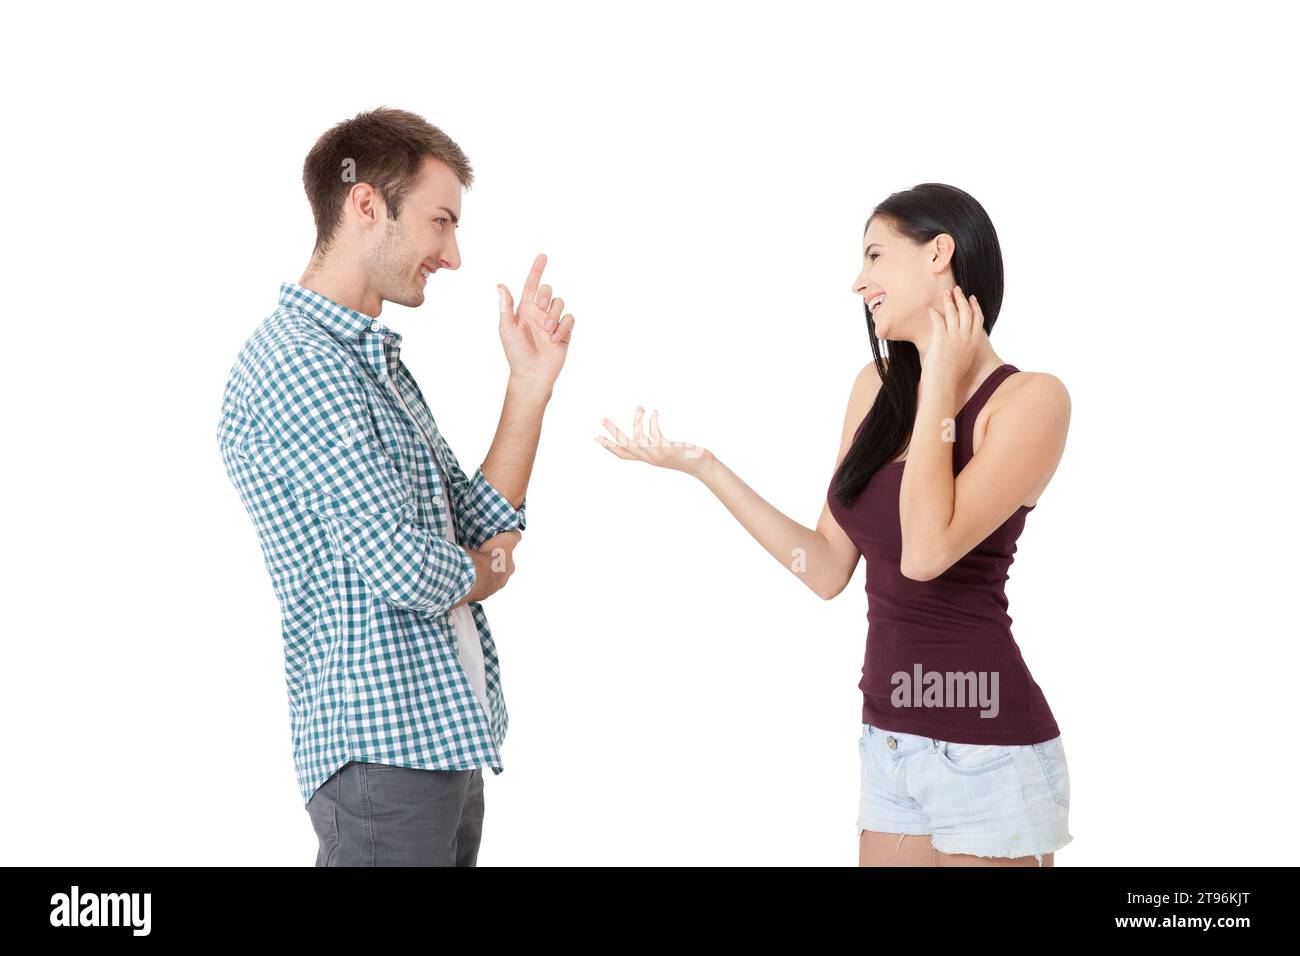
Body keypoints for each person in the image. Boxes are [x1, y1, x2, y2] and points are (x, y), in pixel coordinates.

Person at [596, 183, 1071, 867]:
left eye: (875, 255)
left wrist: (941, 377)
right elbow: (823, 568)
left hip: (988, 744)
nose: (860, 281)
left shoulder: (1031, 400)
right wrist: (706, 468)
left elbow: (928, 552)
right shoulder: (875, 390)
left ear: (939, 253)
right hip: (890, 740)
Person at [217, 107, 575, 866]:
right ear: (366, 204)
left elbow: (471, 522)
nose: (451, 254)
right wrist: (491, 572)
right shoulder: (301, 365)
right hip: (383, 757)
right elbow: (410, 568)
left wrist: (528, 387)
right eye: (439, 221)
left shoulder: (368, 362)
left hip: (435, 737)